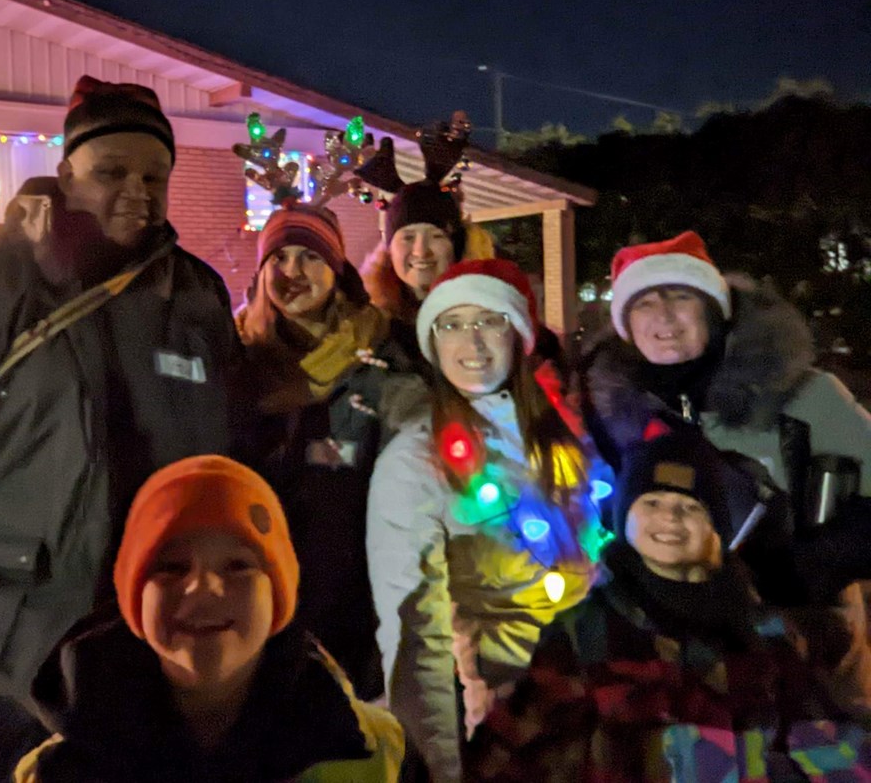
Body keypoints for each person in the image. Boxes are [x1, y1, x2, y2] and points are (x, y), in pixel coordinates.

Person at [0, 76, 239, 753]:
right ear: (66, 174)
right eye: (111, 171)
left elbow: (235, 454)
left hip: (164, 637)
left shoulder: (199, 295)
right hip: (16, 648)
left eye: (156, 175)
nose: (138, 191)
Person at [464, 429, 871, 781]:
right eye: (651, 503)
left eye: (690, 507)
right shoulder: (583, 634)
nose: (670, 519)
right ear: (624, 518)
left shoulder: (770, 633)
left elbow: (825, 748)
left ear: (716, 527)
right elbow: (506, 755)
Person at [580, 230, 871, 708]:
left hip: (808, 647)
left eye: (680, 297)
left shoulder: (805, 396)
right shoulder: (614, 417)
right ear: (627, 325)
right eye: (645, 303)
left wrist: (803, 571)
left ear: (715, 311)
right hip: (673, 663)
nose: (665, 317)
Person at [14, 455, 406, 783]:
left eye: (237, 565)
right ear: (133, 597)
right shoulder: (56, 772)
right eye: (171, 567)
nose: (203, 588)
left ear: (279, 594)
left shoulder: (371, 753)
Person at [367, 259, 601, 782]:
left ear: (518, 335)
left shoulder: (562, 437)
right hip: (504, 724)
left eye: (489, 320)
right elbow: (413, 635)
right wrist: (439, 768)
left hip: (596, 704)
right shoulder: (415, 461)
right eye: (451, 324)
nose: (471, 342)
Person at [234, 203, 408, 699]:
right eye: (279, 258)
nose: (293, 272)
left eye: (310, 257)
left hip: (351, 608)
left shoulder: (377, 357)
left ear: (336, 269)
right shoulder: (234, 354)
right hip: (257, 606)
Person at [355, 116, 492, 368]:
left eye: (436, 236)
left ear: (458, 246)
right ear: (389, 250)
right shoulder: (368, 331)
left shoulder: (492, 318)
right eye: (407, 237)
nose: (420, 250)